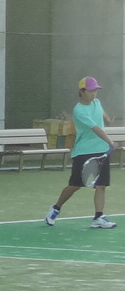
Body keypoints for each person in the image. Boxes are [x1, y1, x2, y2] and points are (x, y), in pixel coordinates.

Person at [47, 77, 116, 229]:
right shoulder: (78, 111)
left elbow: (102, 115)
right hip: (84, 152)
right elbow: (96, 128)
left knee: (101, 185)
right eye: (91, 91)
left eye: (96, 90)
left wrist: (108, 120)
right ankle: (56, 208)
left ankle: (98, 217)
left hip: (101, 150)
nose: (94, 94)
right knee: (75, 185)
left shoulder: (97, 103)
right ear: (82, 92)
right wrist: (110, 141)